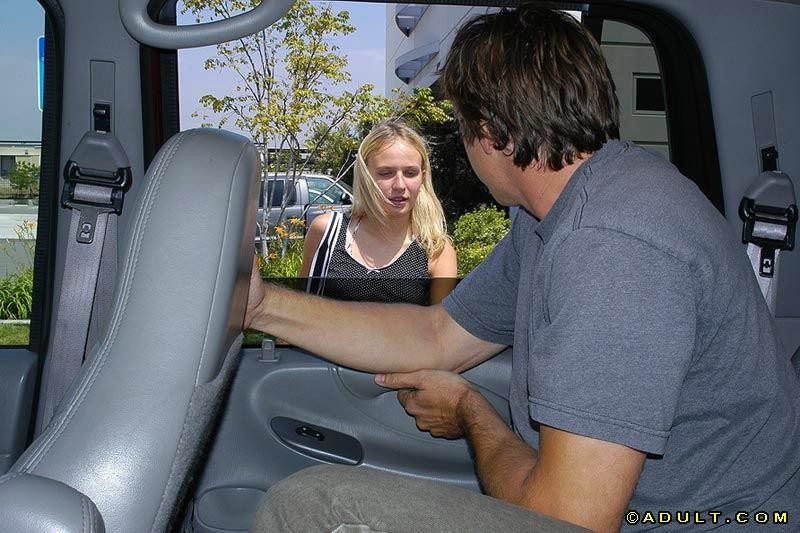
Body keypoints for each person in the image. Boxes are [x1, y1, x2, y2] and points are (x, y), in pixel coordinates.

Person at [245, 5, 800, 532]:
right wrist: (264, 305)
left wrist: (471, 410)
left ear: (491, 133)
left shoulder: (611, 246)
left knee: (311, 509)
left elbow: (564, 520)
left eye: (463, 128)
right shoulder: (550, 217)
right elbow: (436, 334)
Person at [300, 119, 457, 305]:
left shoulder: (436, 250)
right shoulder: (327, 232)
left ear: (423, 177)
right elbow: (299, 316)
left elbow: (439, 331)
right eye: (386, 173)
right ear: (366, 175)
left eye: (410, 173)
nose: (399, 185)